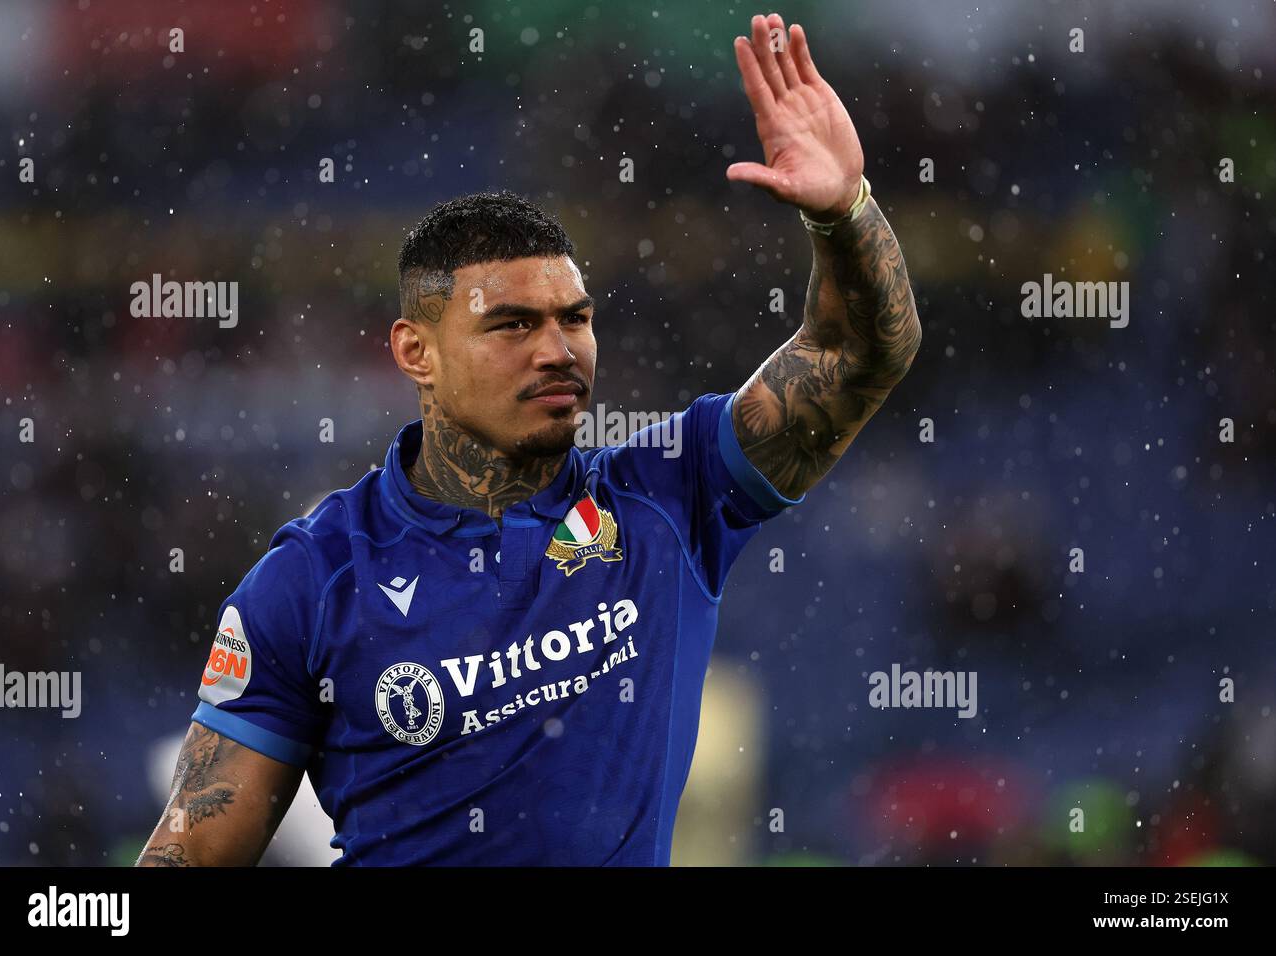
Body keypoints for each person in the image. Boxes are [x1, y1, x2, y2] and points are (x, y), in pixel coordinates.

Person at [137, 12, 920, 866]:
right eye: (511, 325)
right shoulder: (310, 581)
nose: (557, 350)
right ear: (416, 353)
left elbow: (857, 352)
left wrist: (846, 211)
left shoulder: (670, 493)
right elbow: (191, 855)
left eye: (574, 319)